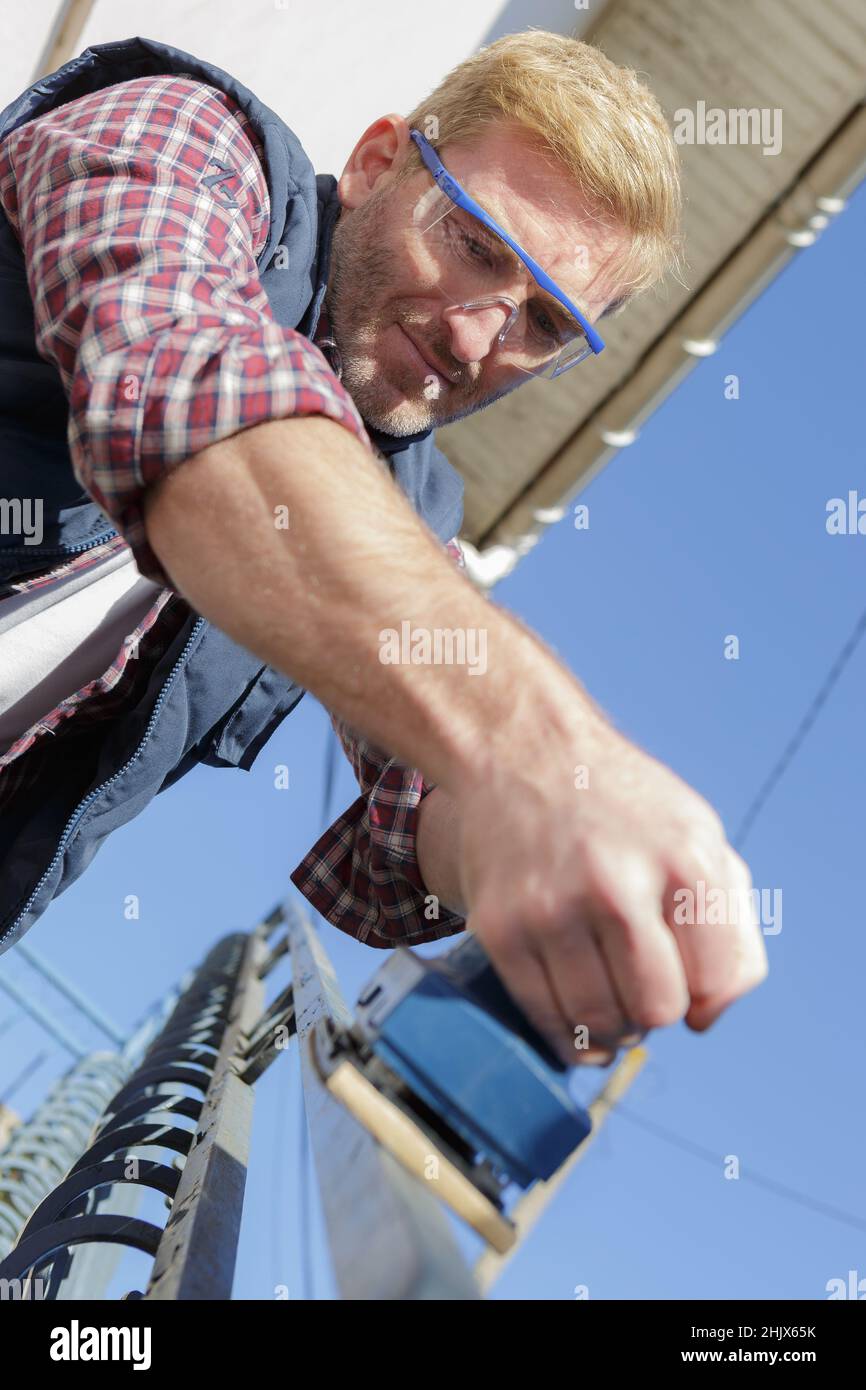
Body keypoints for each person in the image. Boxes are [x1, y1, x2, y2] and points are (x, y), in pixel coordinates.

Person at [0, 30, 766, 1065]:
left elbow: (425, 793)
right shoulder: (184, 137)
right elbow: (188, 386)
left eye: (539, 322)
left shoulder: (406, 520)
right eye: (473, 243)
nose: (470, 337)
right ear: (374, 162)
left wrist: (517, 850)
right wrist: (530, 745)